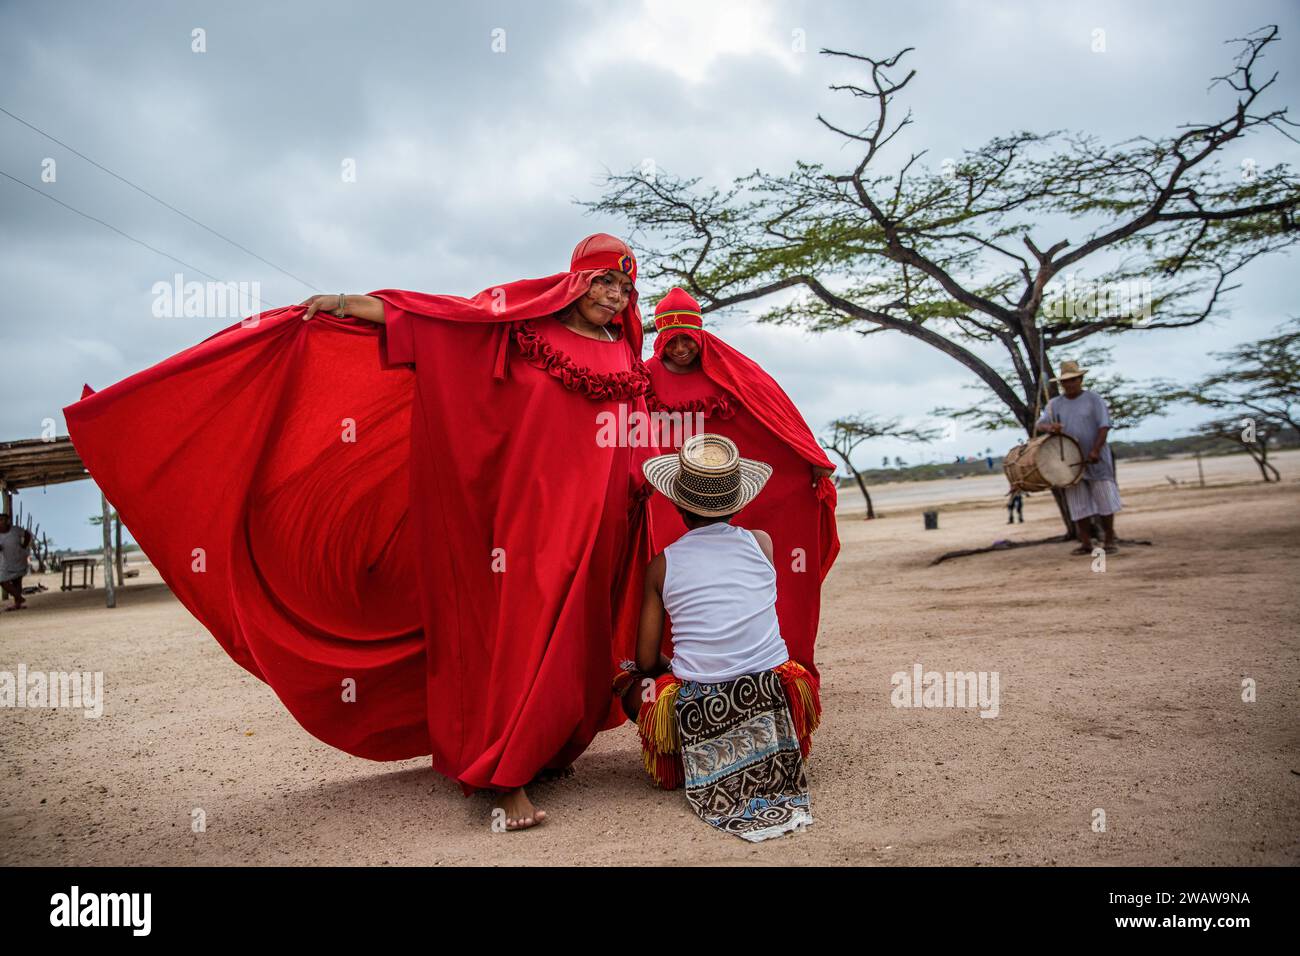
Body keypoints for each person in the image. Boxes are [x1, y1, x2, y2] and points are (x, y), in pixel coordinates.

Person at [64, 234, 655, 831]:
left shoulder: (623, 349)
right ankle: (505, 778)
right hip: (529, 520)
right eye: (604, 281)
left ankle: (546, 746)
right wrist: (350, 304)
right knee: (526, 628)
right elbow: (442, 324)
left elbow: (637, 430)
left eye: (625, 287)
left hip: (603, 519)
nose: (614, 295)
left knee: (580, 632)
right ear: (574, 279)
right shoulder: (519, 330)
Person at [614, 433, 819, 842]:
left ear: (675, 503)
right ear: (738, 502)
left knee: (632, 688)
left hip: (703, 706)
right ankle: (769, 748)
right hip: (773, 693)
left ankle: (686, 763)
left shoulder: (661, 565)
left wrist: (678, 668)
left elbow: (646, 658)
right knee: (790, 675)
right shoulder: (762, 543)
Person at [643, 287, 839, 685]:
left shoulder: (732, 368)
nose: (680, 349)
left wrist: (809, 458)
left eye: (688, 339)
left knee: (760, 569)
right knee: (678, 578)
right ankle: (690, 667)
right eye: (672, 340)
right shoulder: (645, 376)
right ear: (660, 338)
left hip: (728, 486)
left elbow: (776, 416)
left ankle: (784, 661)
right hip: (671, 493)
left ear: (699, 333)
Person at [1035, 360, 1122, 555]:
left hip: (1096, 459)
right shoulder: (1054, 404)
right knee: (1079, 505)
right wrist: (1051, 427)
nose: (1070, 384)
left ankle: (1109, 539)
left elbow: (1104, 426)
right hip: (1070, 462)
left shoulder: (1094, 399)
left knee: (1105, 501)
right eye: (1066, 381)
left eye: (1073, 380)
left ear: (1081, 379)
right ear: (1061, 384)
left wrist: (1095, 450)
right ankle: (1086, 543)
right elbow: (1040, 425)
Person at [0, 513, 34, 610]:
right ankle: (19, 597)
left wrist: (24, 545)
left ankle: (17, 603)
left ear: (7, 521)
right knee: (2, 580)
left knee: (17, 581)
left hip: (19, 558)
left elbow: (27, 534)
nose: (1, 522)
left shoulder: (15, 530)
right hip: (5, 561)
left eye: (2, 520)